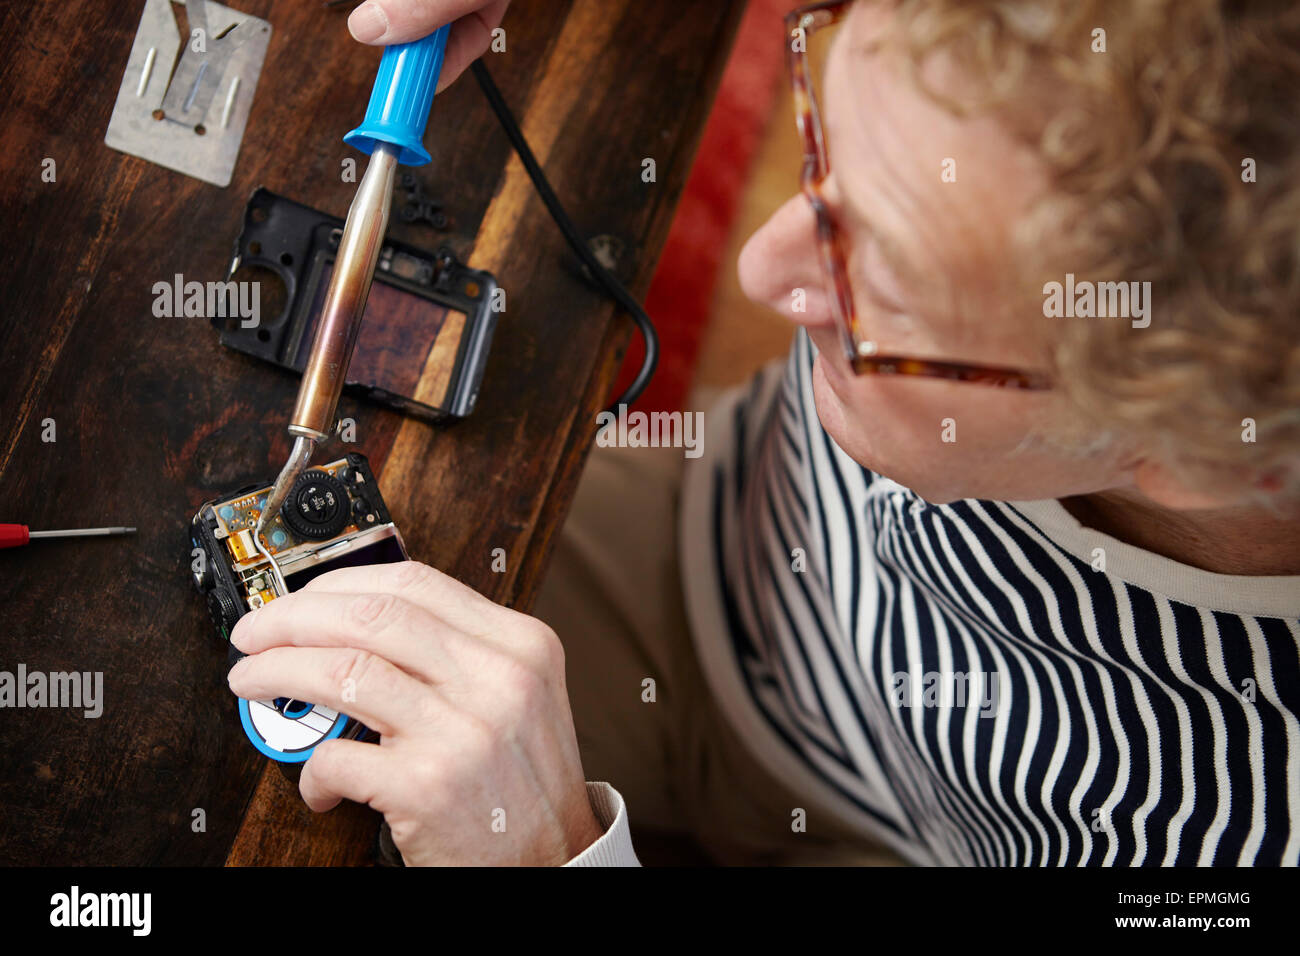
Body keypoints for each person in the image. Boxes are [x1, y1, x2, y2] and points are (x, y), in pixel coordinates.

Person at [225, 0, 1300, 865]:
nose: (765, 270)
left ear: (1211, 451)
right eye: (822, 142)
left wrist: (552, 853)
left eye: (886, 285)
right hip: (707, 522)